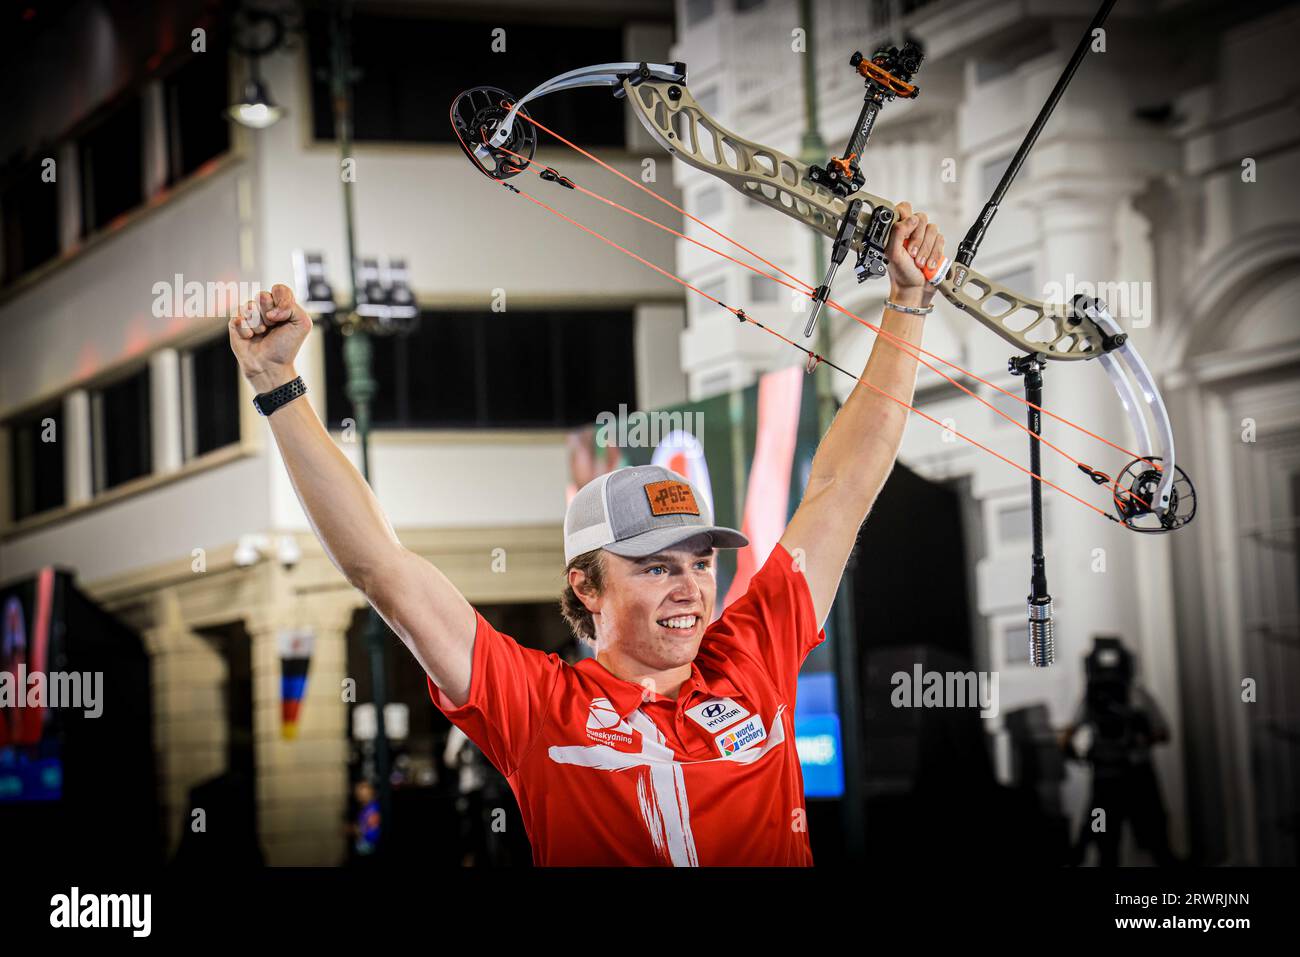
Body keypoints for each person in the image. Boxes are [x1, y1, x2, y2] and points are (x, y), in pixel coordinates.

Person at [228, 203, 946, 865]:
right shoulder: (538, 706)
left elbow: (842, 488)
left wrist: (908, 303)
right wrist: (278, 385)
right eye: (656, 567)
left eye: (699, 562)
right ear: (586, 584)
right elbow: (382, 568)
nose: (692, 586)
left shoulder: (753, 654)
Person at [1060, 636, 1178, 867]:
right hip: (1112, 777)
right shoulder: (1095, 699)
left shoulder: (1135, 696)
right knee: (1107, 841)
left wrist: (1138, 737)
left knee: (1152, 839)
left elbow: (1162, 733)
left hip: (1131, 775)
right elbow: (1067, 736)